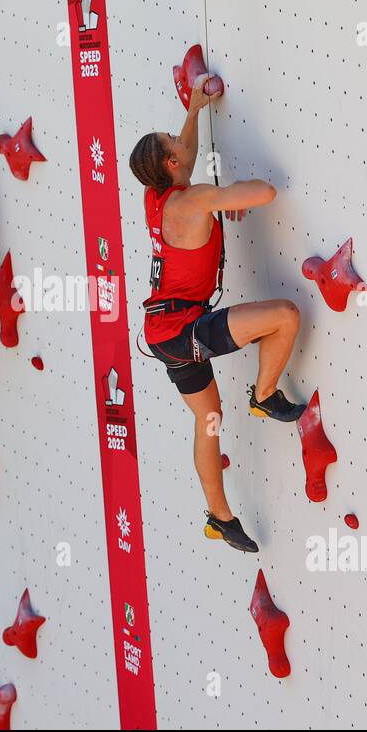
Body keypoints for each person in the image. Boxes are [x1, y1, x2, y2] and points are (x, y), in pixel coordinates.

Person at [130, 75, 307, 554]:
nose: (180, 140)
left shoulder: (158, 195)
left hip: (164, 333)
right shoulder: (195, 199)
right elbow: (265, 192)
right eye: (173, 140)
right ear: (171, 164)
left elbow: (185, 156)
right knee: (286, 316)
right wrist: (227, 196)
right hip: (185, 329)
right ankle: (264, 395)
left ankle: (219, 518)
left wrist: (194, 111)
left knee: (208, 417)